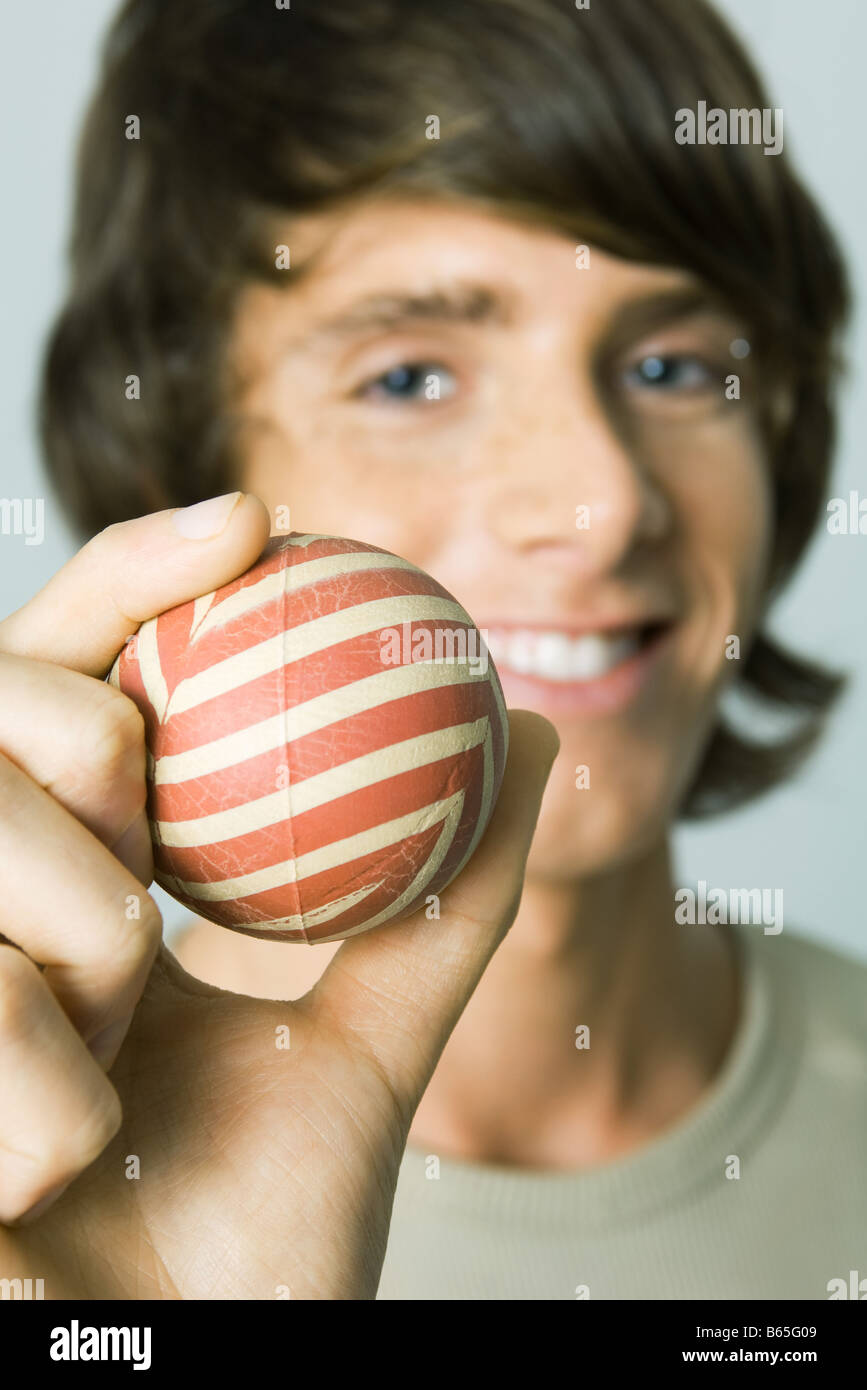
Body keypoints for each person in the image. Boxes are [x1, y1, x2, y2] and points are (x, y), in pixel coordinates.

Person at [0, 0, 863, 1300]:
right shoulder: (47, 1183)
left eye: (676, 367)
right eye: (410, 378)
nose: (603, 502)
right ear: (178, 471)